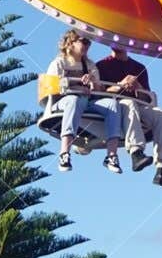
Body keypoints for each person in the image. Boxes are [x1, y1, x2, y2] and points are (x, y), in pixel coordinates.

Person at [94, 49, 162, 190]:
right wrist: (119, 85)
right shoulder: (101, 65)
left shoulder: (139, 68)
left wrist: (137, 87)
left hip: (138, 107)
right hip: (113, 107)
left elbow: (147, 97)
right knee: (129, 103)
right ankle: (136, 153)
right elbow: (98, 93)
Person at [44, 31, 123, 173]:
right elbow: (53, 88)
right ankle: (64, 153)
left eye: (89, 42)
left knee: (113, 104)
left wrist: (93, 82)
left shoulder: (89, 65)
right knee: (74, 100)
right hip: (64, 101)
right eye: (83, 41)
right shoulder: (59, 63)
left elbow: (99, 89)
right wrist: (76, 86)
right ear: (71, 42)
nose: (87, 45)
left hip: (87, 102)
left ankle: (111, 155)